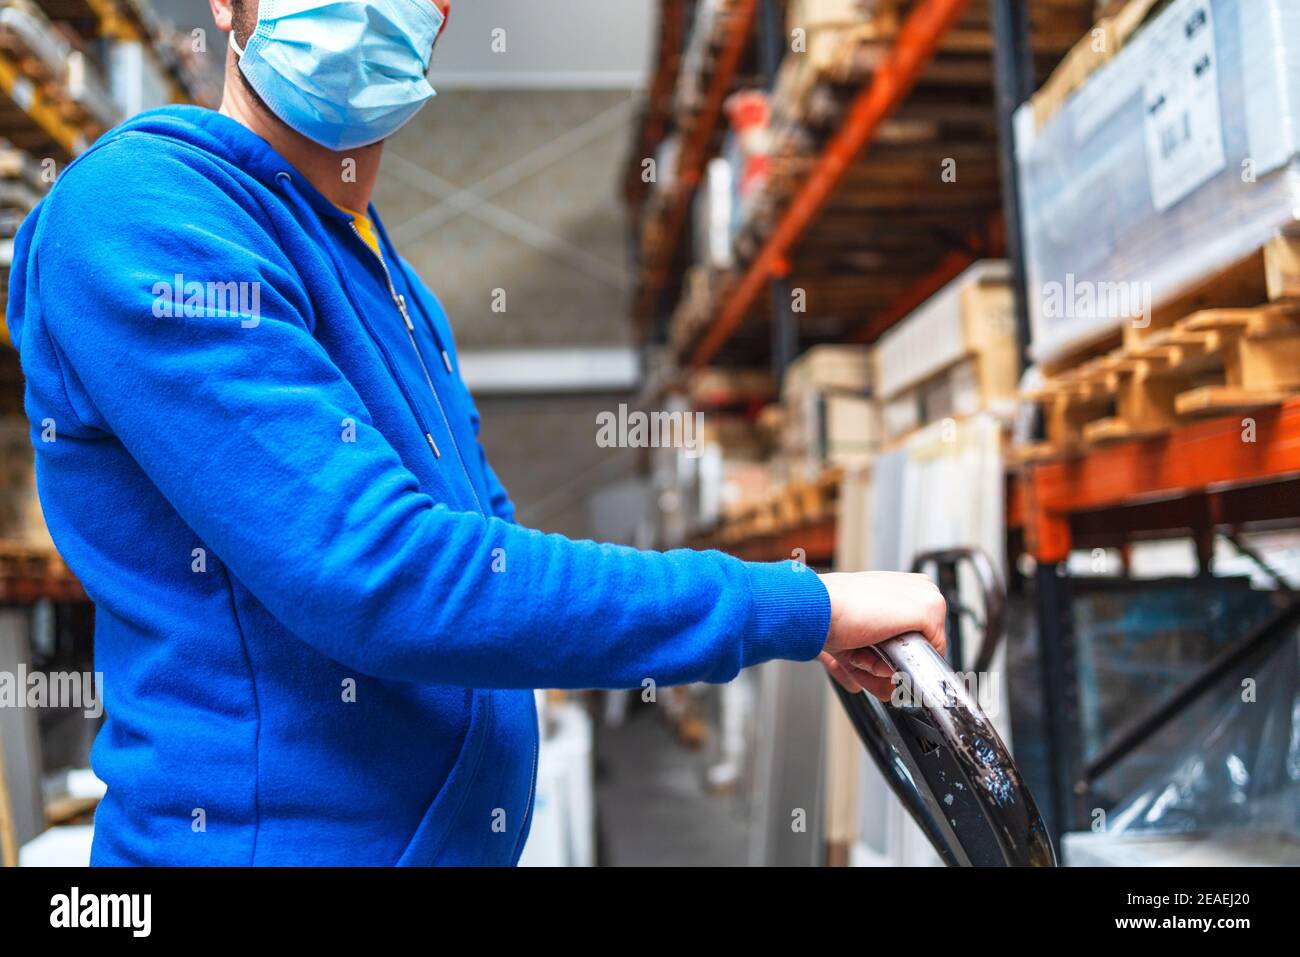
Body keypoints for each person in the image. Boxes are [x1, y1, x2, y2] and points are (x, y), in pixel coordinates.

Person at [5, 0, 945, 865]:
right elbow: (384, 574)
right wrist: (790, 605)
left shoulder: (393, 283)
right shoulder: (144, 212)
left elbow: (482, 546)